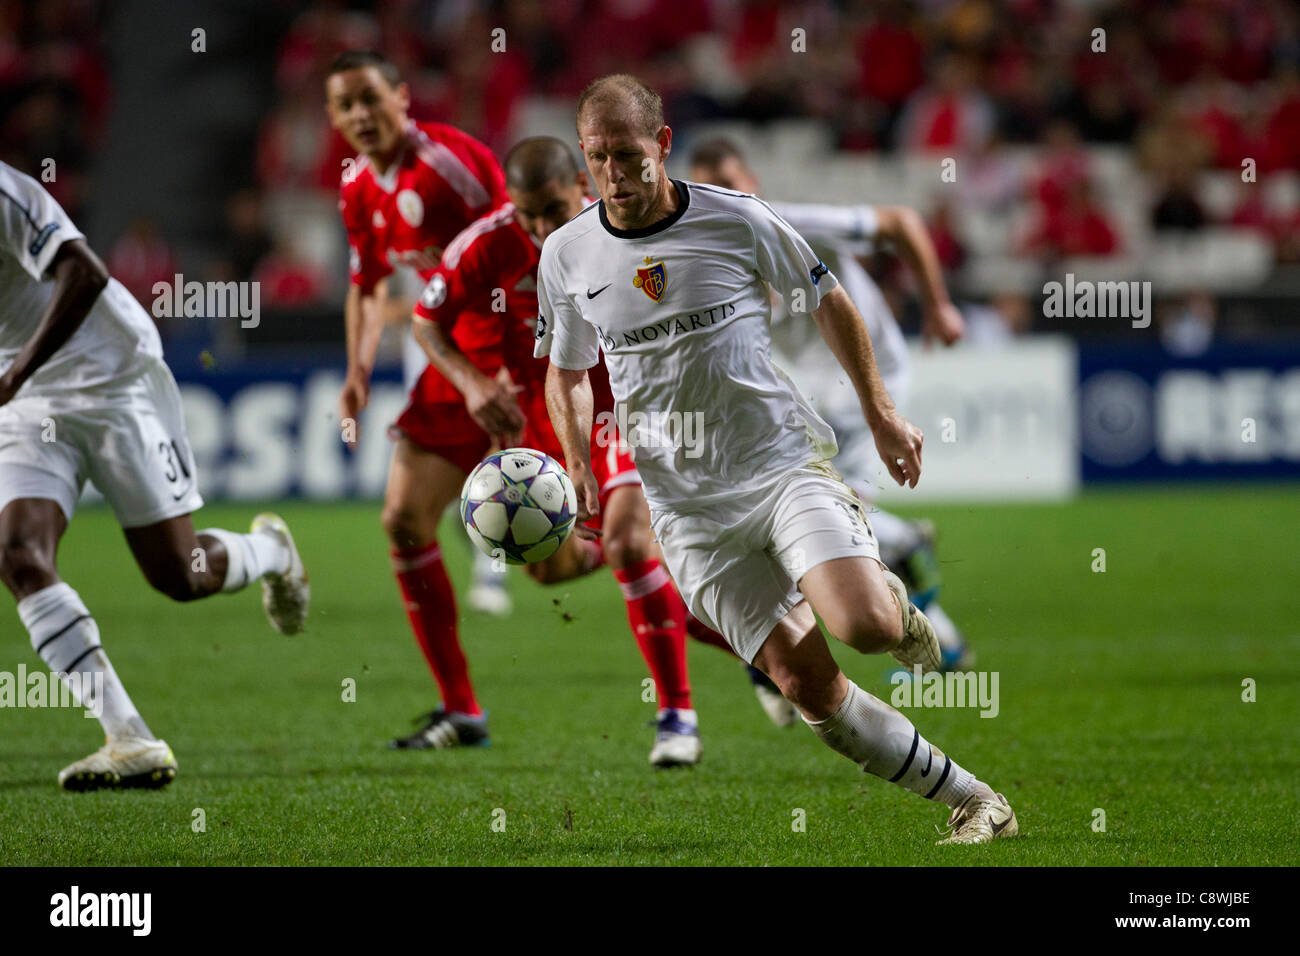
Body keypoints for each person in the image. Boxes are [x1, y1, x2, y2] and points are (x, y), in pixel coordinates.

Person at [539, 75, 1018, 844]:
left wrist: (883, 414)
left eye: (628, 155)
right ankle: (975, 801)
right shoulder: (566, 253)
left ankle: (891, 599)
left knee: (862, 627)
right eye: (598, 159)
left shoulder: (738, 219)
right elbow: (563, 371)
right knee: (808, 689)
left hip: (777, 467)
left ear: (662, 145)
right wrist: (577, 459)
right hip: (686, 512)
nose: (615, 176)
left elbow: (828, 299)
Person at [0, 161, 308, 791]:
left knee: (180, 573)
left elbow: (85, 272)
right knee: (17, 552)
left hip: (111, 374)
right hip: (28, 402)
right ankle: (129, 737)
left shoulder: (6, 193)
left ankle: (270, 550)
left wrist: (13, 375)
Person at [408, 136, 701, 765]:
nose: (541, 227)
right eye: (526, 214)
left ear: (580, 181)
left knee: (625, 543)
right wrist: (472, 381)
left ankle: (677, 715)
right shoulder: (487, 244)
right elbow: (425, 318)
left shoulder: (629, 228)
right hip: (558, 417)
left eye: (551, 209)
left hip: (634, 407)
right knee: (549, 567)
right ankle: (744, 638)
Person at [687, 138, 974, 725]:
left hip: (866, 380)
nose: (729, 198)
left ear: (755, 182)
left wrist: (938, 303)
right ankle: (936, 624)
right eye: (714, 188)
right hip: (810, 392)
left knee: (816, 521)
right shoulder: (711, 251)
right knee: (817, 526)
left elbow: (901, 221)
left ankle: (898, 561)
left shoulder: (794, 223)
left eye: (736, 185)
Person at [326, 50, 513, 749]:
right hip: (449, 362)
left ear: (403, 96)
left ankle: (740, 649)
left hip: (506, 352)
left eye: (371, 97)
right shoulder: (357, 190)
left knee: (568, 552)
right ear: (334, 120)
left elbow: (522, 247)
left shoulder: (451, 163)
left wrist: (505, 369)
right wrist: (357, 369)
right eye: (346, 106)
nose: (361, 116)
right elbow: (369, 283)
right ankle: (461, 708)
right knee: (404, 519)